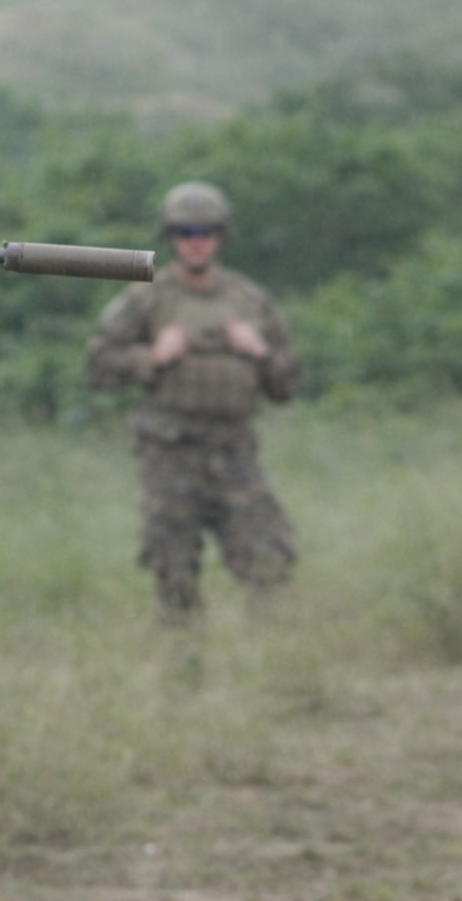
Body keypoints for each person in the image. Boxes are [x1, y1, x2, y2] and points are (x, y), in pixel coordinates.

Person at [85, 181, 301, 623]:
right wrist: (151, 357)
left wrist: (259, 352)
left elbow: (288, 384)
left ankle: (277, 664)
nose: (196, 242)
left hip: (235, 451)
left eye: (206, 231)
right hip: (171, 454)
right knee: (173, 567)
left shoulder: (250, 300)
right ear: (170, 236)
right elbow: (98, 366)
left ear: (222, 236)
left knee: (269, 560)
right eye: (185, 232)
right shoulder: (146, 298)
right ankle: (184, 670)